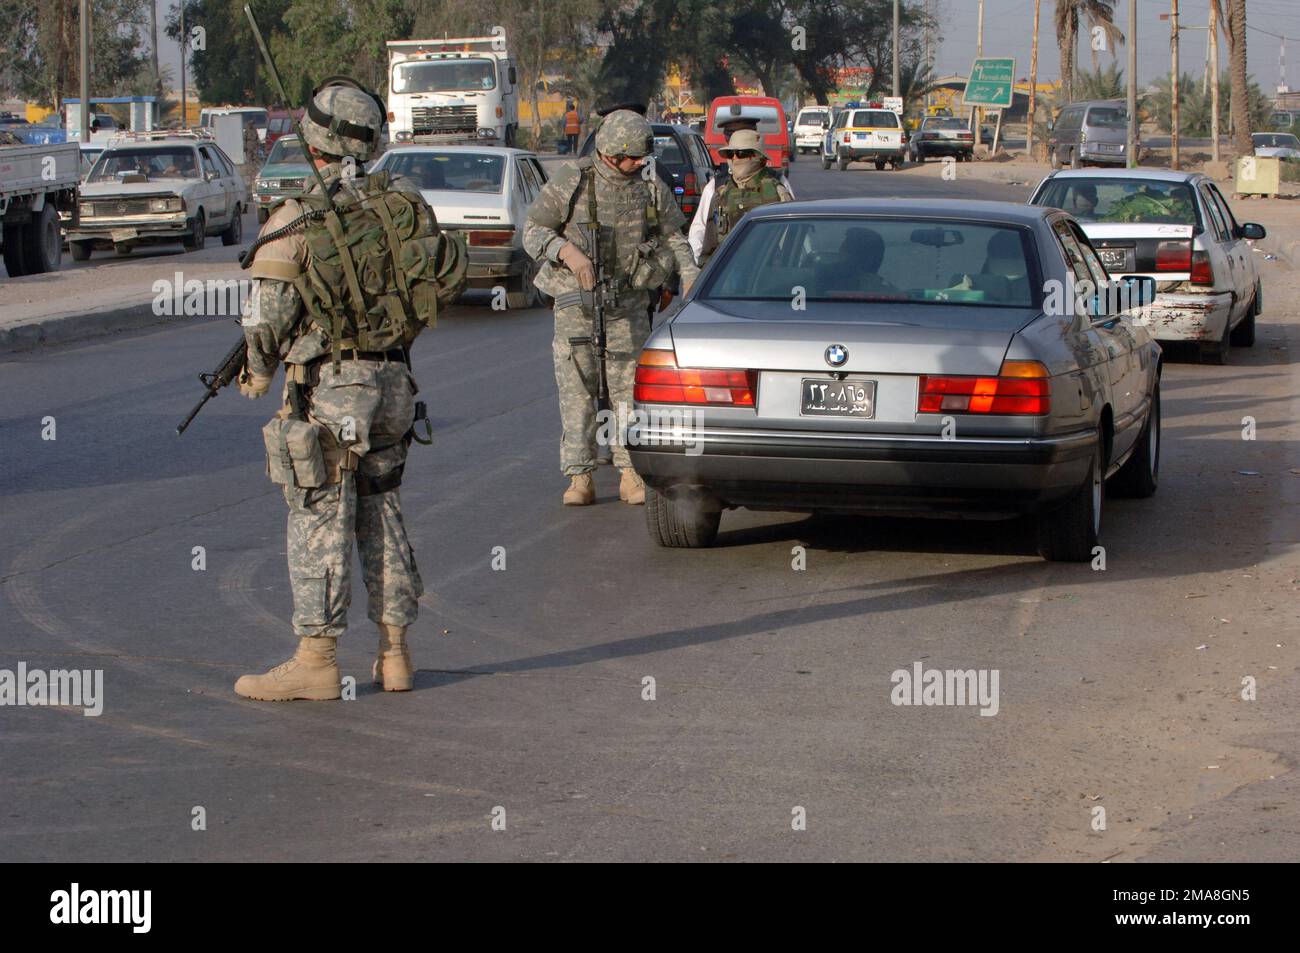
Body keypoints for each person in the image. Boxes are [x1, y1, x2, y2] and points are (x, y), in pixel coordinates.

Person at [232, 78, 465, 702]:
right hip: (395, 380)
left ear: (314, 141)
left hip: (334, 390)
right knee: (382, 511)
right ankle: (395, 656)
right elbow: (436, 277)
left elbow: (268, 318)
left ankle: (316, 661)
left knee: (320, 520)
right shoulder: (404, 201)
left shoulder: (298, 215)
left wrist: (256, 373)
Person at [523, 109, 699, 507]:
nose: (640, 163)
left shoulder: (650, 188)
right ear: (610, 152)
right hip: (576, 302)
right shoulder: (574, 179)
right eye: (634, 157)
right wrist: (567, 252)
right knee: (578, 390)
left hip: (628, 304)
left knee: (626, 392)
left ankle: (629, 472)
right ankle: (580, 475)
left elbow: (673, 237)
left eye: (643, 157)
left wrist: (690, 276)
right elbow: (533, 230)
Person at [689, 127, 794, 265]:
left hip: (768, 271)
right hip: (727, 272)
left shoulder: (778, 189)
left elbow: (792, 239)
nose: (735, 158)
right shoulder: (718, 191)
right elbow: (704, 238)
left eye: (741, 153)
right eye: (730, 154)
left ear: (758, 157)